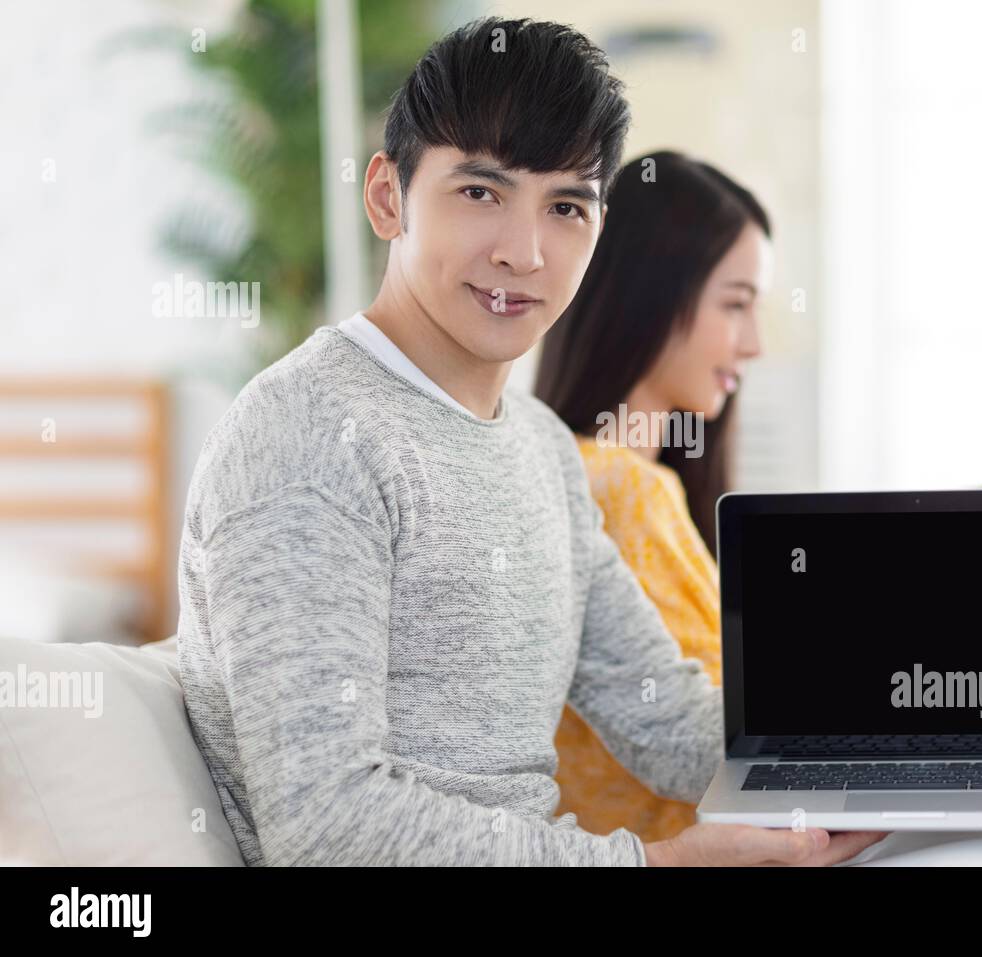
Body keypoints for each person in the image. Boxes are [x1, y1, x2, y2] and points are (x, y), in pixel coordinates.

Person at [175, 17, 881, 867]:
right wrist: (655, 865)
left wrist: (904, 753)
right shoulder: (306, 435)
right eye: (481, 192)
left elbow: (668, 720)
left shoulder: (543, 450)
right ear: (387, 196)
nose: (525, 252)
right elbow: (329, 829)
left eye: (567, 206)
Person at [536, 151, 982, 864]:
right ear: (649, 293)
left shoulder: (608, 473)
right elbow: (757, 720)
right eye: (736, 303)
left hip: (749, 829)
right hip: (725, 841)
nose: (756, 342)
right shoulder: (617, 484)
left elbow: (780, 698)